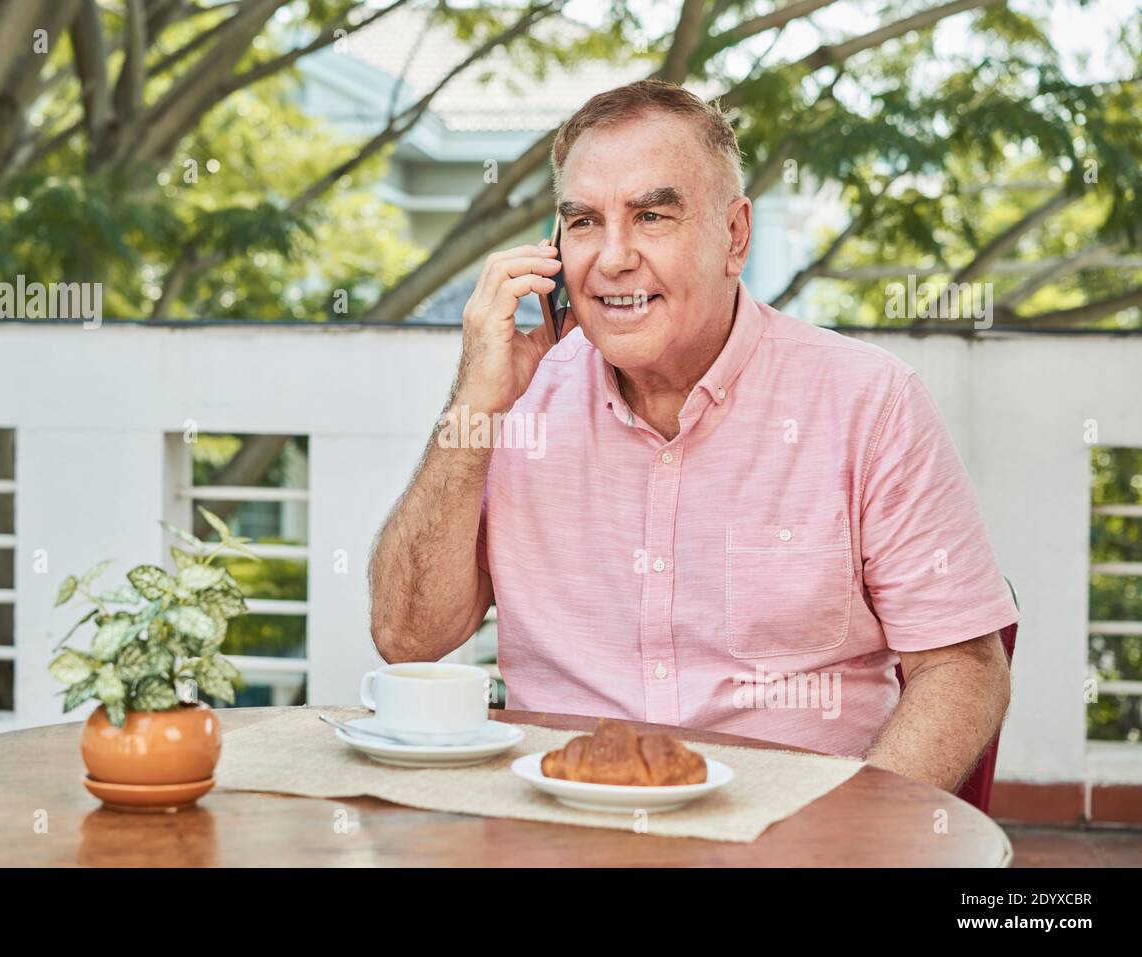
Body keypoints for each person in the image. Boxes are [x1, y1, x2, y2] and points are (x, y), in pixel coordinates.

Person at [368, 79, 1017, 792]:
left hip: (791, 838)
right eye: (583, 222)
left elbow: (962, 668)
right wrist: (475, 403)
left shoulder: (869, 400)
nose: (612, 257)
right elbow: (408, 638)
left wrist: (855, 833)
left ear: (734, 236)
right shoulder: (514, 400)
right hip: (560, 827)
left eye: (650, 216)